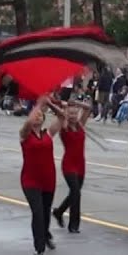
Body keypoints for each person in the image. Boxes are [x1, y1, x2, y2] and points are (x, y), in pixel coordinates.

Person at [20, 96, 62, 255]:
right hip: (30, 179)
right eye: (35, 115)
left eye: (40, 115)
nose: (37, 116)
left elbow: (62, 117)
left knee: (45, 213)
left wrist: (50, 103)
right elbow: (28, 123)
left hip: (48, 178)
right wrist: (38, 105)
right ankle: (39, 246)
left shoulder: (48, 134)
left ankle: (45, 235)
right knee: (37, 212)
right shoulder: (25, 134)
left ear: (44, 118)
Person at [53, 98, 89, 234]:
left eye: (75, 113)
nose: (73, 116)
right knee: (76, 193)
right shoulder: (64, 128)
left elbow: (88, 108)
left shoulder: (80, 125)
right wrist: (63, 108)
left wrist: (76, 103)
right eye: (70, 114)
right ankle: (73, 225)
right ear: (66, 115)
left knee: (75, 194)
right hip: (69, 165)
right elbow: (60, 115)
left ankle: (59, 211)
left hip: (81, 165)